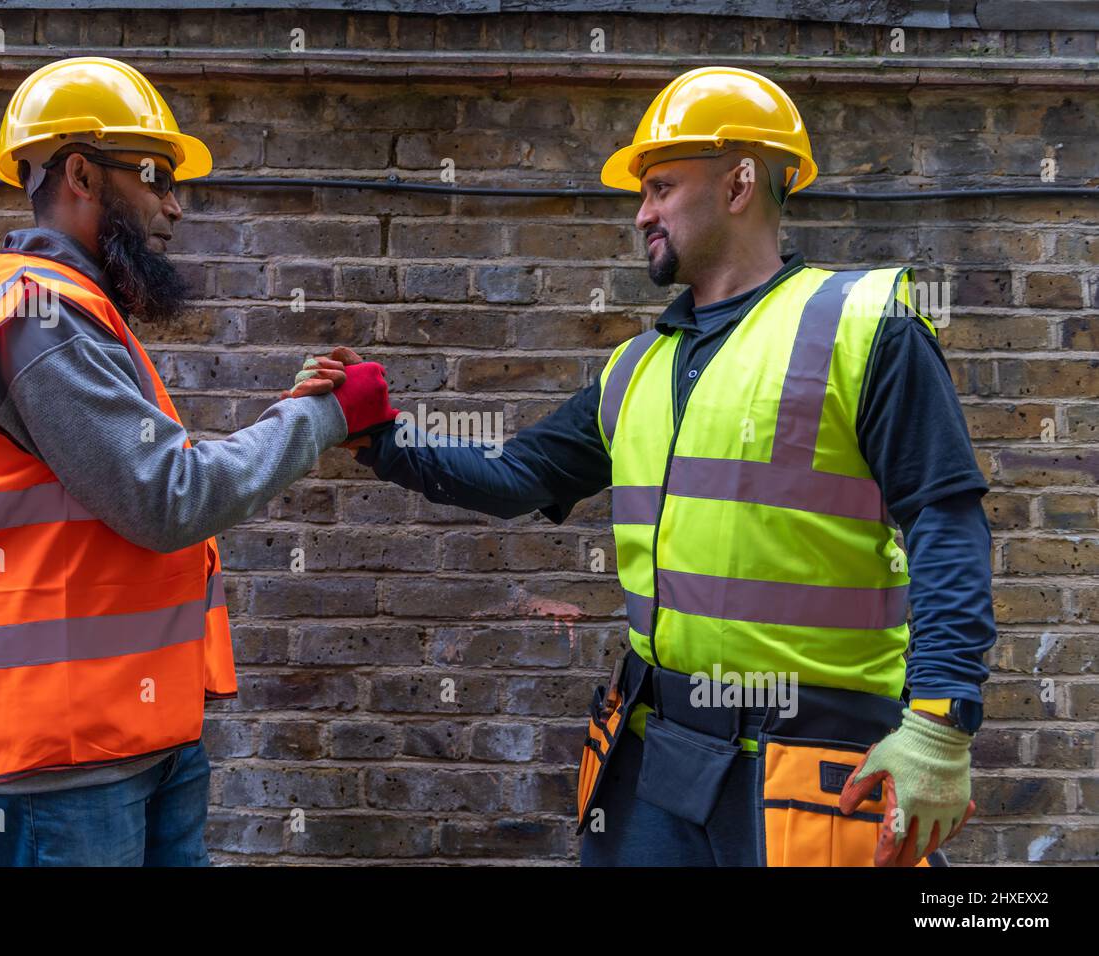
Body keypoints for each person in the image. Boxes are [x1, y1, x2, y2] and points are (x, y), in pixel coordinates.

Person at [303, 66, 996, 867]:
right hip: (656, 752)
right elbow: (518, 474)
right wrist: (382, 438)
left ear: (740, 181)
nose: (642, 213)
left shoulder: (865, 326)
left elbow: (947, 522)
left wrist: (941, 724)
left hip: (812, 755)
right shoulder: (638, 366)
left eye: (662, 186)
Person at [0, 57, 394, 866]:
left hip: (127, 740)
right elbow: (167, 497)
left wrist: (294, 412)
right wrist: (319, 417)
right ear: (80, 172)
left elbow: (148, 478)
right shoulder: (35, 319)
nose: (174, 207)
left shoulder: (71, 312)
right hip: (66, 763)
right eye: (156, 177)